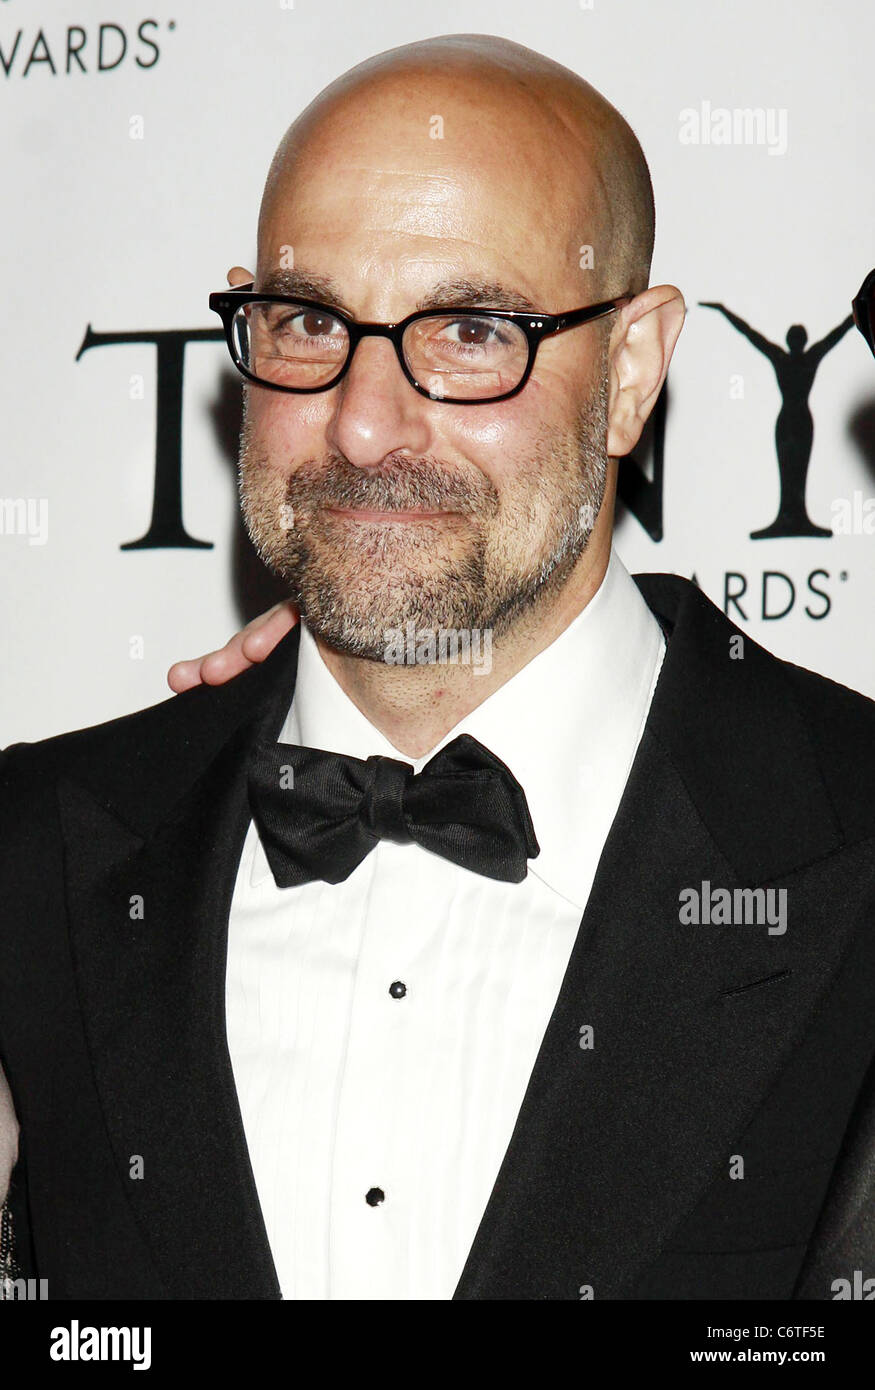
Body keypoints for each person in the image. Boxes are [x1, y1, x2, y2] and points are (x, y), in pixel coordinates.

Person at [2, 33, 875, 1302]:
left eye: (469, 331)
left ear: (629, 373)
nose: (361, 422)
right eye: (309, 321)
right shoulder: (37, 855)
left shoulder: (848, 837)